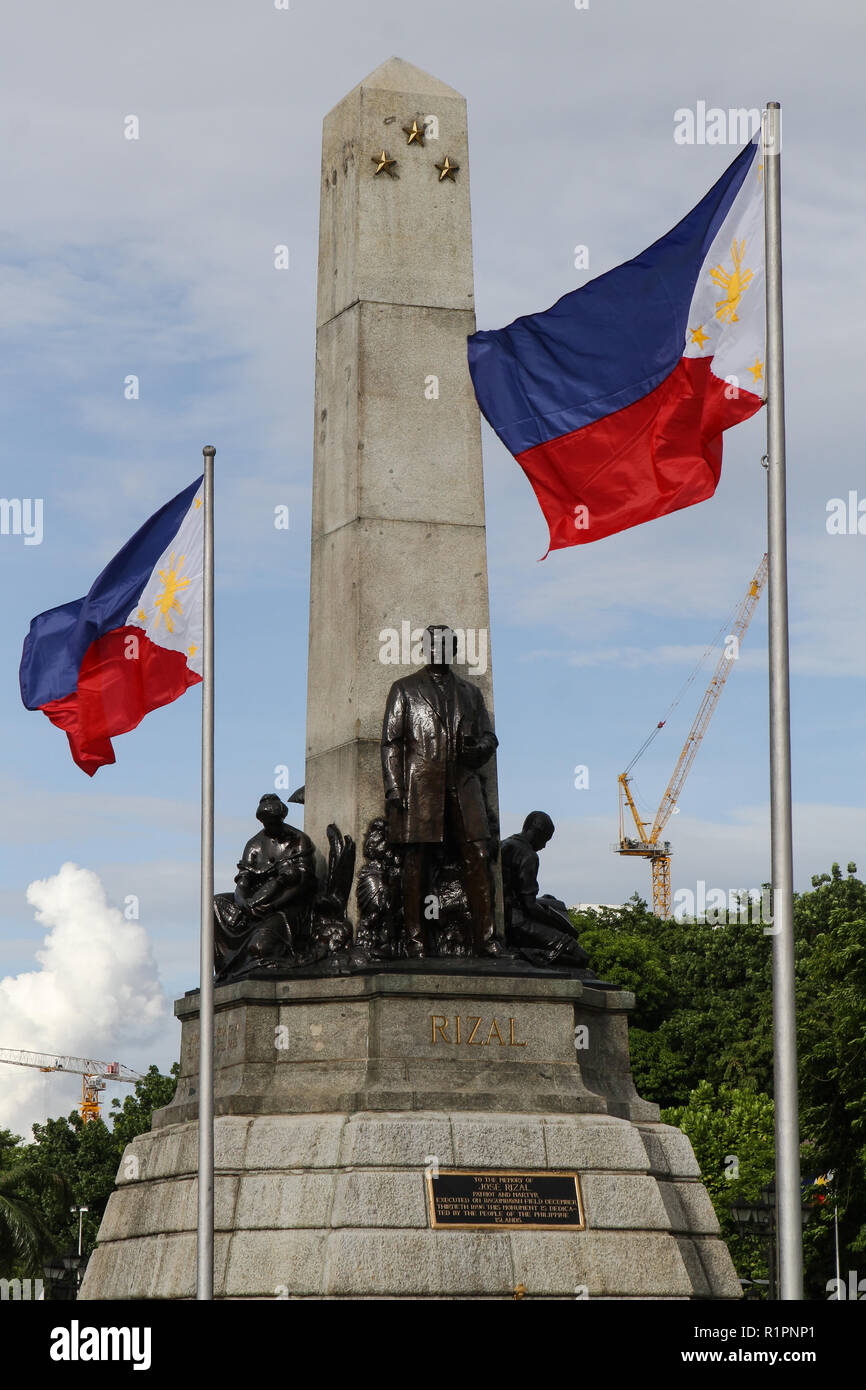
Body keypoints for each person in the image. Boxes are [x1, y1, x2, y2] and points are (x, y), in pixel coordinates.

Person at [381, 624, 500, 957]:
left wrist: (479, 750)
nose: (440, 651)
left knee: (478, 854)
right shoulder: (404, 689)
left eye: (447, 645)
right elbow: (391, 743)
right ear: (426, 648)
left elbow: (490, 738)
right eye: (435, 645)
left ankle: (486, 938)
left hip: (463, 784)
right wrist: (394, 788)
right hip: (420, 787)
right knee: (415, 860)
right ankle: (415, 939)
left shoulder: (471, 693)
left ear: (454, 649)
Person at [500, 811, 590, 969]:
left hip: (505, 916)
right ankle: (527, 955)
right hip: (518, 923)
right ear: (538, 832)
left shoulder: (504, 844)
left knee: (550, 899)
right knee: (580, 956)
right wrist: (560, 923)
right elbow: (529, 905)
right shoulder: (528, 855)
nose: (544, 846)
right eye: (545, 839)